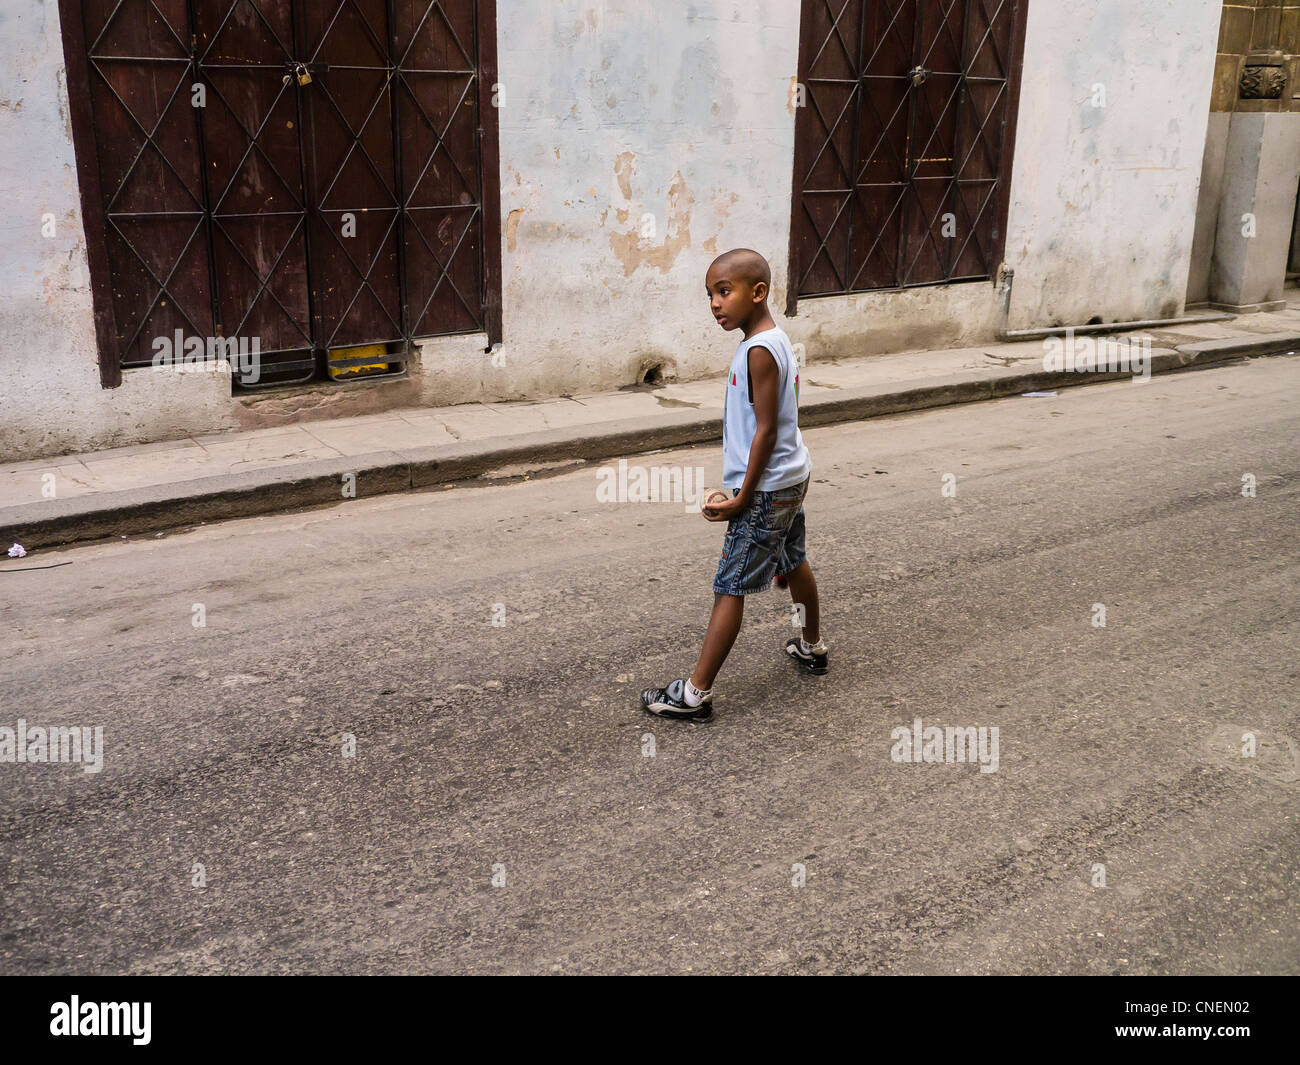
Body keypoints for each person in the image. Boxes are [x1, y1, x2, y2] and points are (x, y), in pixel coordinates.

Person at [641, 248, 828, 721]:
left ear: (758, 292)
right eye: (710, 294)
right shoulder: (774, 340)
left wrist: (742, 496)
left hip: (766, 490)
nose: (715, 304)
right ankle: (811, 645)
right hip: (790, 477)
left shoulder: (759, 351)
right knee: (794, 560)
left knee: (730, 586)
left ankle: (695, 693)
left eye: (724, 292)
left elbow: (764, 429)